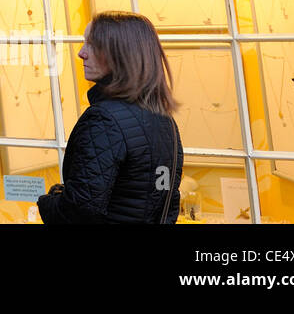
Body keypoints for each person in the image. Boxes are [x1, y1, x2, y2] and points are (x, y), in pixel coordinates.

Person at [37, 11, 184, 224]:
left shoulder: (104, 120)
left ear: (120, 53)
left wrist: (48, 201)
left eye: (92, 45)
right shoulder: (163, 120)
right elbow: (167, 202)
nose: (81, 53)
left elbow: (79, 208)